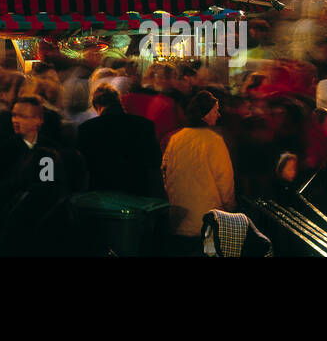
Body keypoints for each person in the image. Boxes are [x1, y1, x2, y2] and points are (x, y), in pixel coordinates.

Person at [0, 95, 73, 256]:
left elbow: (49, 188)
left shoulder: (49, 150)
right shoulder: (3, 151)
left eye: (22, 116)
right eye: (14, 115)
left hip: (40, 228)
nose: (15, 120)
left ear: (38, 120)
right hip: (9, 228)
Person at [161, 92, 234, 255]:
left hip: (179, 218)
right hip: (207, 220)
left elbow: (164, 171)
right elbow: (225, 181)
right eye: (216, 110)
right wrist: (230, 208)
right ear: (206, 114)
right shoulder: (215, 141)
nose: (218, 114)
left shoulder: (176, 139)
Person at [76, 86, 163, 197]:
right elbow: (155, 160)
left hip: (101, 194)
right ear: (118, 102)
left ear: (97, 106)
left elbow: (83, 166)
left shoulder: (86, 128)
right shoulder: (144, 125)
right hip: (138, 192)